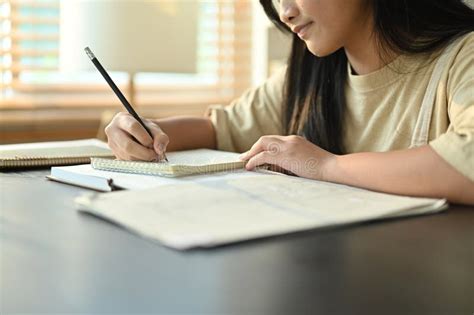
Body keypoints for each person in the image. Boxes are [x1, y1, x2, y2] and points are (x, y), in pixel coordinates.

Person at [105, 0, 474, 205]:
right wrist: (147, 130)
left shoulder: (463, 56)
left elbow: (466, 164)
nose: (285, 12)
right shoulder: (309, 76)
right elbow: (222, 127)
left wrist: (327, 166)